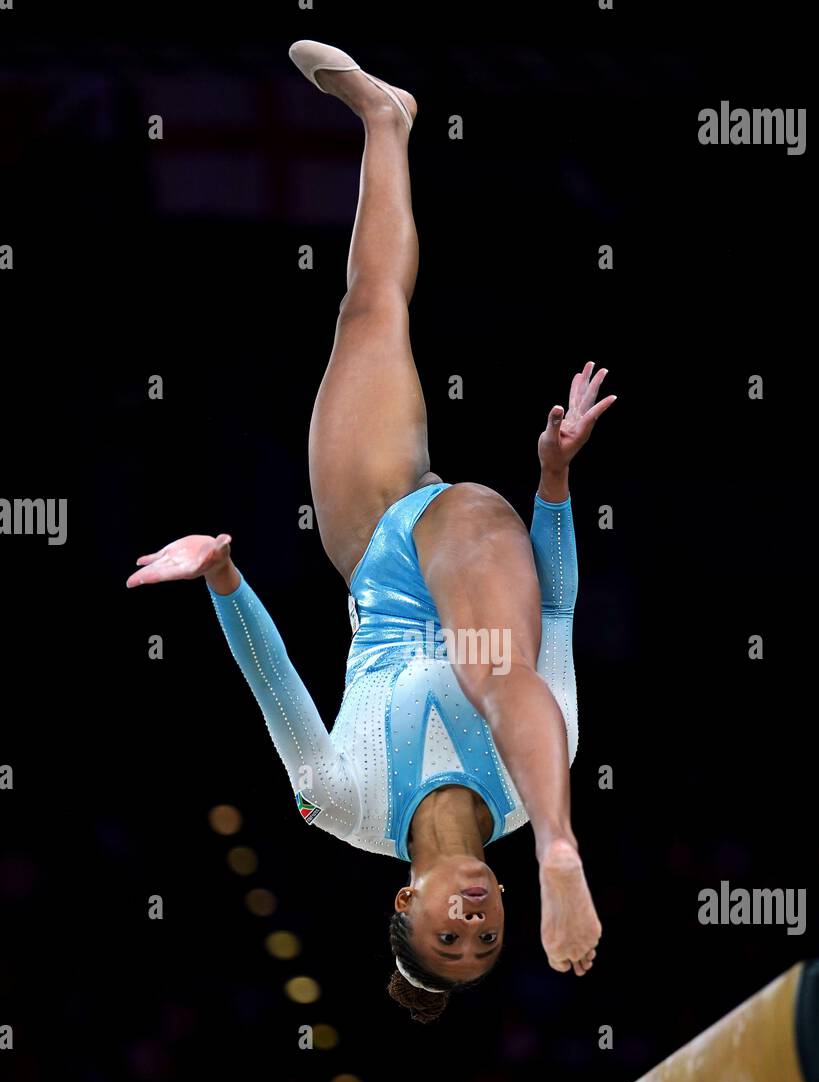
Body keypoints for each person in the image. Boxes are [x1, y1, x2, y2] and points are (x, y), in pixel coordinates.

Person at [127, 41, 616, 1022]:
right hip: (472, 550)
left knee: (367, 310)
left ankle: (385, 121)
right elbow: (553, 608)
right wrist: (552, 479)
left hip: (374, 549)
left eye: (447, 934)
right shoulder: (527, 782)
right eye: (487, 937)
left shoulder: (339, 804)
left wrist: (223, 576)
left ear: (407, 900)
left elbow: (276, 688)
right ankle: (569, 849)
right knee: (495, 660)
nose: (472, 920)